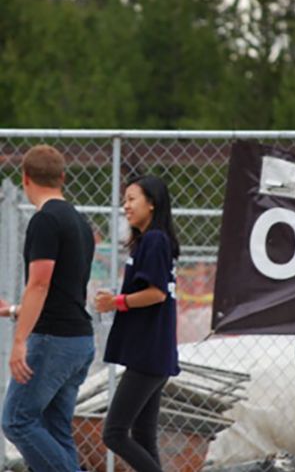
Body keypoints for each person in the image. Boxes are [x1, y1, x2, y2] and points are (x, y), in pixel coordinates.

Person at [0, 144, 96, 471]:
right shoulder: (80, 223)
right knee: (56, 429)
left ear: (25, 179)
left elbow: (40, 283)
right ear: (63, 177)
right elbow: (63, 290)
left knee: (16, 420)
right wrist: (14, 310)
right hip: (79, 340)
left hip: (52, 340)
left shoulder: (45, 221)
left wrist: (18, 340)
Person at [94, 176, 181, 472]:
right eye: (125, 200)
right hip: (151, 353)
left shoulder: (155, 240)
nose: (126, 206)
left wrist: (116, 302)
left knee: (114, 433)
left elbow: (155, 293)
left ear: (152, 203)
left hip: (148, 354)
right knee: (143, 436)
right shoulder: (148, 241)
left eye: (132, 199)